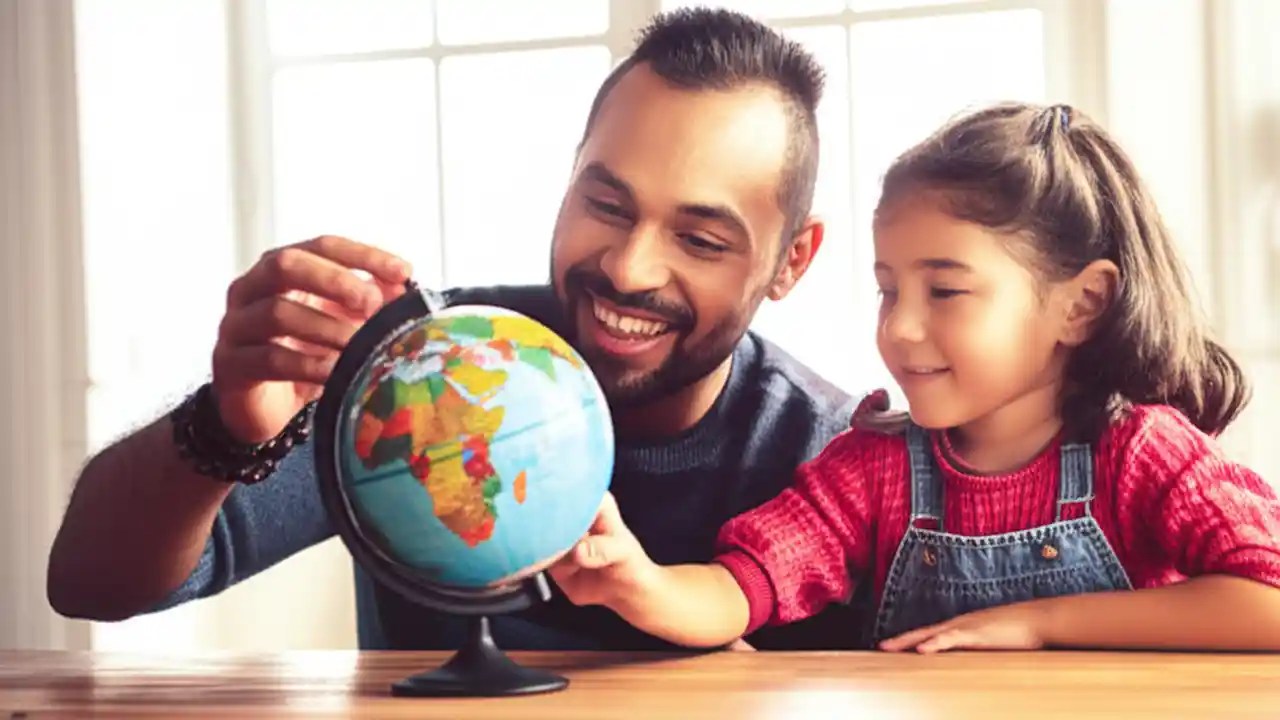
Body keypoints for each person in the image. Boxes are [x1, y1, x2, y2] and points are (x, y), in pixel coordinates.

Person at [47, 8, 868, 650]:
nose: (628, 268)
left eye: (700, 240)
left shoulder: (837, 459)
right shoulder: (428, 367)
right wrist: (222, 427)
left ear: (791, 261)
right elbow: (89, 585)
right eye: (606, 204)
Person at [549, 102, 1280, 653]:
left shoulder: (1144, 453)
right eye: (887, 289)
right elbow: (740, 590)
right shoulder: (874, 470)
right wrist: (638, 584)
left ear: (1081, 304)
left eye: (945, 291)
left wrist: (1040, 624)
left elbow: (1269, 599)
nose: (899, 328)